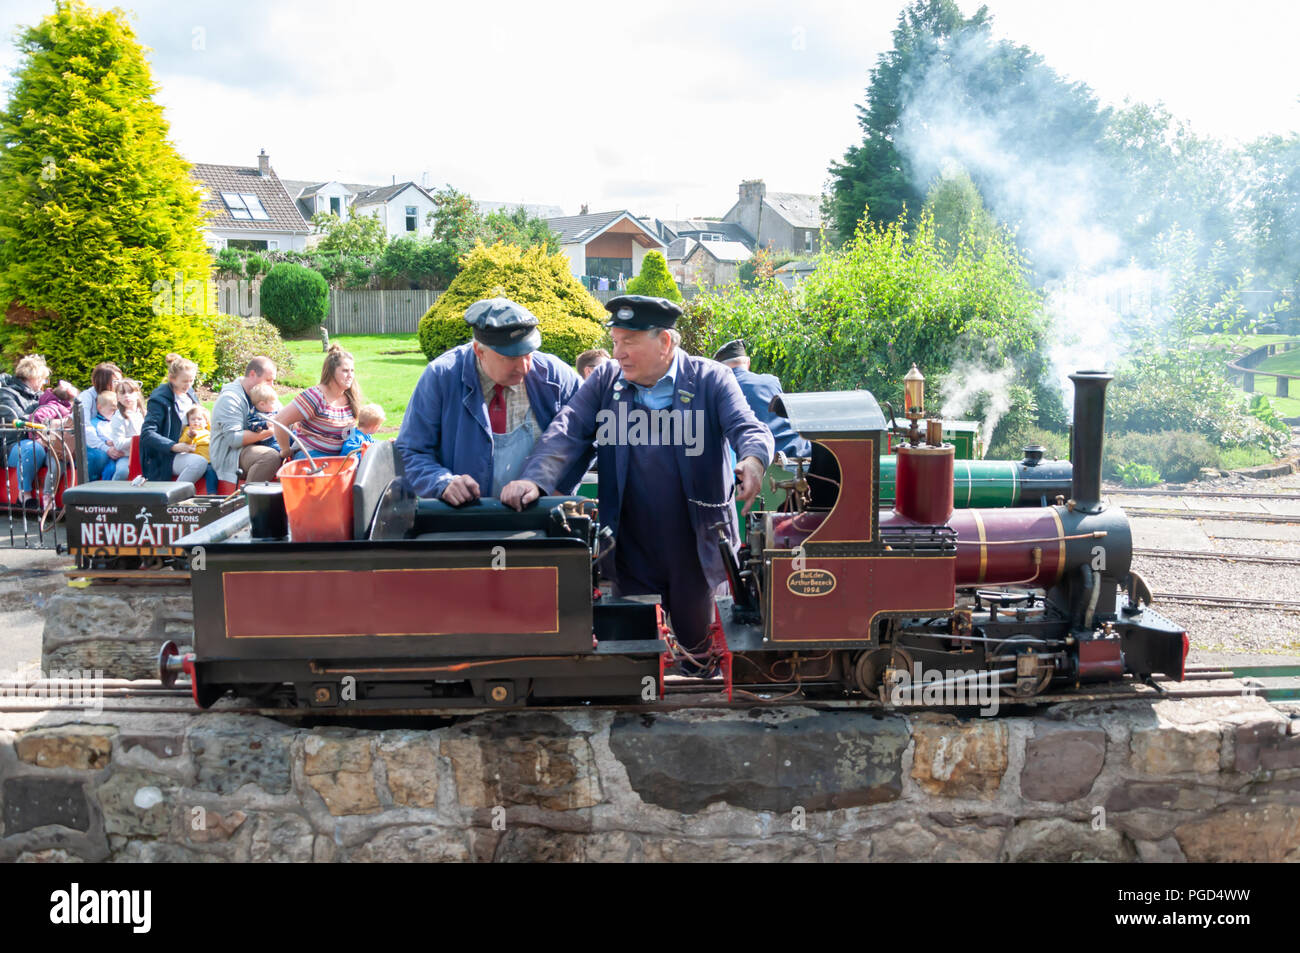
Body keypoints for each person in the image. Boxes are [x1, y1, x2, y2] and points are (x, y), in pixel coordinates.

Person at [501, 295, 773, 673]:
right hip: (631, 546)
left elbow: (747, 426)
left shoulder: (711, 379)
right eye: (614, 342)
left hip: (695, 547)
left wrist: (754, 460)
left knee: (701, 655)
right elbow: (567, 430)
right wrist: (535, 480)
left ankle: (699, 714)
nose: (619, 353)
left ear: (664, 342)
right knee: (637, 657)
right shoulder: (605, 381)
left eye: (628, 342)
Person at [395, 297, 586, 503]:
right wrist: (441, 482)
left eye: (528, 354)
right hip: (464, 521)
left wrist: (555, 489)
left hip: (540, 518)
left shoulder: (557, 377)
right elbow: (410, 452)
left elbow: (586, 435)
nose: (524, 367)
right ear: (479, 351)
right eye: (511, 358)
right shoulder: (442, 377)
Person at [712, 339, 812, 458]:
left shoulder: (719, 389)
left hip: (760, 458)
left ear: (719, 368)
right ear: (748, 362)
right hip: (799, 451)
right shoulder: (771, 381)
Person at [273, 346, 361, 462]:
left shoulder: (350, 396)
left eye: (352, 370)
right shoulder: (315, 396)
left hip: (342, 457)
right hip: (311, 456)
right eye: (345, 371)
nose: (350, 375)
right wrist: (285, 450)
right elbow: (280, 420)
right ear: (331, 372)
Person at [141, 356, 216, 487]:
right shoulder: (159, 399)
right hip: (165, 456)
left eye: (191, 381)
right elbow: (147, 434)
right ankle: (174, 495)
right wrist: (173, 446)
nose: (188, 385)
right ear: (172, 379)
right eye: (184, 381)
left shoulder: (189, 393)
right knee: (199, 462)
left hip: (192, 447)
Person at [210, 357, 280, 486]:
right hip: (232, 455)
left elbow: (281, 417)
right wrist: (269, 432)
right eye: (268, 380)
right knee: (270, 456)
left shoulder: (263, 393)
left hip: (261, 444)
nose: (271, 385)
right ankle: (248, 501)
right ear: (252, 374)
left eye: (273, 381)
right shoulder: (230, 399)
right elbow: (234, 439)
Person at [1, 354, 52, 508]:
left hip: (38, 439)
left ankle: (53, 497)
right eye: (43, 379)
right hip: (11, 445)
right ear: (34, 378)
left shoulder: (41, 396)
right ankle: (25, 495)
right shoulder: (6, 394)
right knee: (33, 449)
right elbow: (16, 421)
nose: (45, 383)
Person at [108, 379, 144, 479]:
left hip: (145, 455)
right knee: (123, 471)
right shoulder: (119, 417)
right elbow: (119, 444)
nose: (127, 396)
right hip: (127, 456)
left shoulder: (144, 413)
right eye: (122, 393)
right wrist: (139, 438)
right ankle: (113, 493)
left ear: (137, 394)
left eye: (130, 392)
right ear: (118, 397)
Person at [84, 389, 124, 482]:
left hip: (119, 451)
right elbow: (93, 439)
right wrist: (106, 442)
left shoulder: (117, 421)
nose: (115, 413)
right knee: (110, 469)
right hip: (106, 453)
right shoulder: (94, 423)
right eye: (112, 410)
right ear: (100, 408)